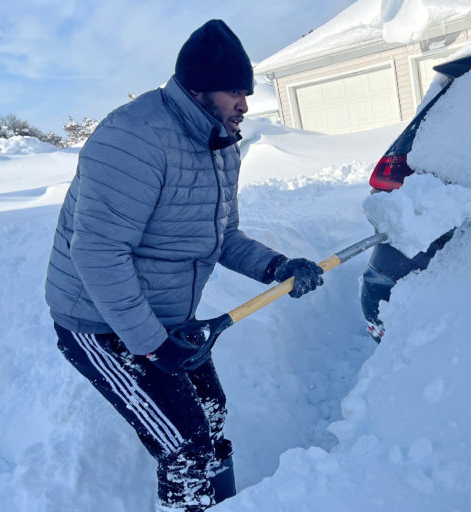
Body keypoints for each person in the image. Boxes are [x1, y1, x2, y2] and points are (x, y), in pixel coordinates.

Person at [45, 19, 324, 512]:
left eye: (247, 92)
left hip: (165, 319)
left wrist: (277, 266)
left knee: (212, 415)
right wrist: (151, 345)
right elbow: (96, 252)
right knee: (185, 443)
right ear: (198, 88)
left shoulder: (219, 145)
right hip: (99, 321)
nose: (245, 104)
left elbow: (222, 237)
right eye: (235, 91)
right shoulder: (134, 137)